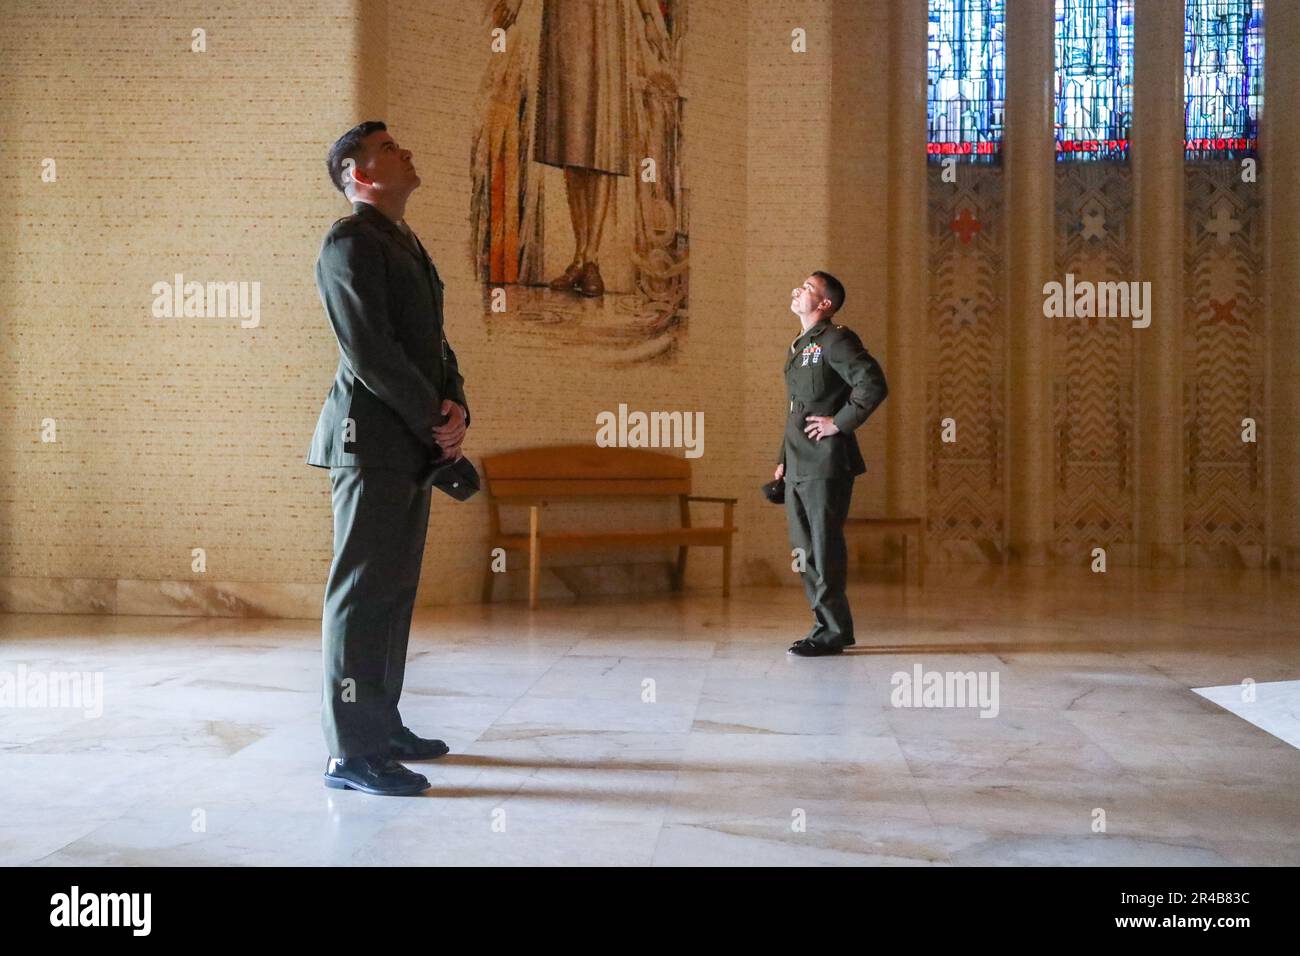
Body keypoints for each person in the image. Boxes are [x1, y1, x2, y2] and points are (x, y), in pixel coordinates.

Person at [306, 121, 470, 795]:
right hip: (368, 439)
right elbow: (369, 350)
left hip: (407, 438)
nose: (406, 150)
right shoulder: (349, 240)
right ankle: (351, 750)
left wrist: (455, 404)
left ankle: (383, 724)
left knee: (394, 592)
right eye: (388, 149)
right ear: (359, 175)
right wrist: (432, 414)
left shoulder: (401, 239)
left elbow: (432, 342)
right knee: (360, 593)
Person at [775, 272, 888, 657]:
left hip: (825, 463)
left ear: (824, 304)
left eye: (807, 288)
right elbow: (797, 409)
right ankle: (826, 625)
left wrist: (838, 423)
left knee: (823, 548)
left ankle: (832, 630)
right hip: (798, 462)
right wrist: (782, 460)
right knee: (804, 551)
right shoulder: (800, 345)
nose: (797, 289)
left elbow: (872, 383)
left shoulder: (836, 339)